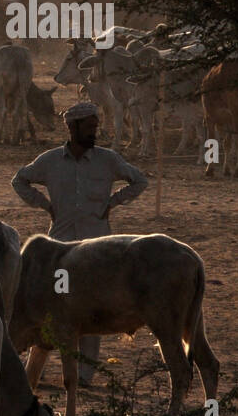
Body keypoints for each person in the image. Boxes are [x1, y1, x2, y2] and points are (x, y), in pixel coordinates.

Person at [12, 100, 149, 385]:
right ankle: (35, 371)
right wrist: (45, 205)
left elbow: (139, 181)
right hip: (59, 249)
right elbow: (19, 181)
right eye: (88, 127)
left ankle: (85, 374)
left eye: (95, 127)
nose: (93, 132)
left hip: (96, 249)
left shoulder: (108, 160)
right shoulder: (50, 161)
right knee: (52, 306)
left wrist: (113, 202)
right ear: (72, 128)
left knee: (90, 308)